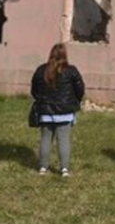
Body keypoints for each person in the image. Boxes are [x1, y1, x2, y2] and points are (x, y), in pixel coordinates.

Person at [31, 43, 85, 177]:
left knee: (45, 139)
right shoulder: (71, 70)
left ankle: (43, 168)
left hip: (45, 111)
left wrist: (42, 101)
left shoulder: (41, 70)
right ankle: (64, 170)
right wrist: (75, 101)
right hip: (65, 112)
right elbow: (80, 89)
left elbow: (34, 90)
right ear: (64, 55)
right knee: (64, 140)